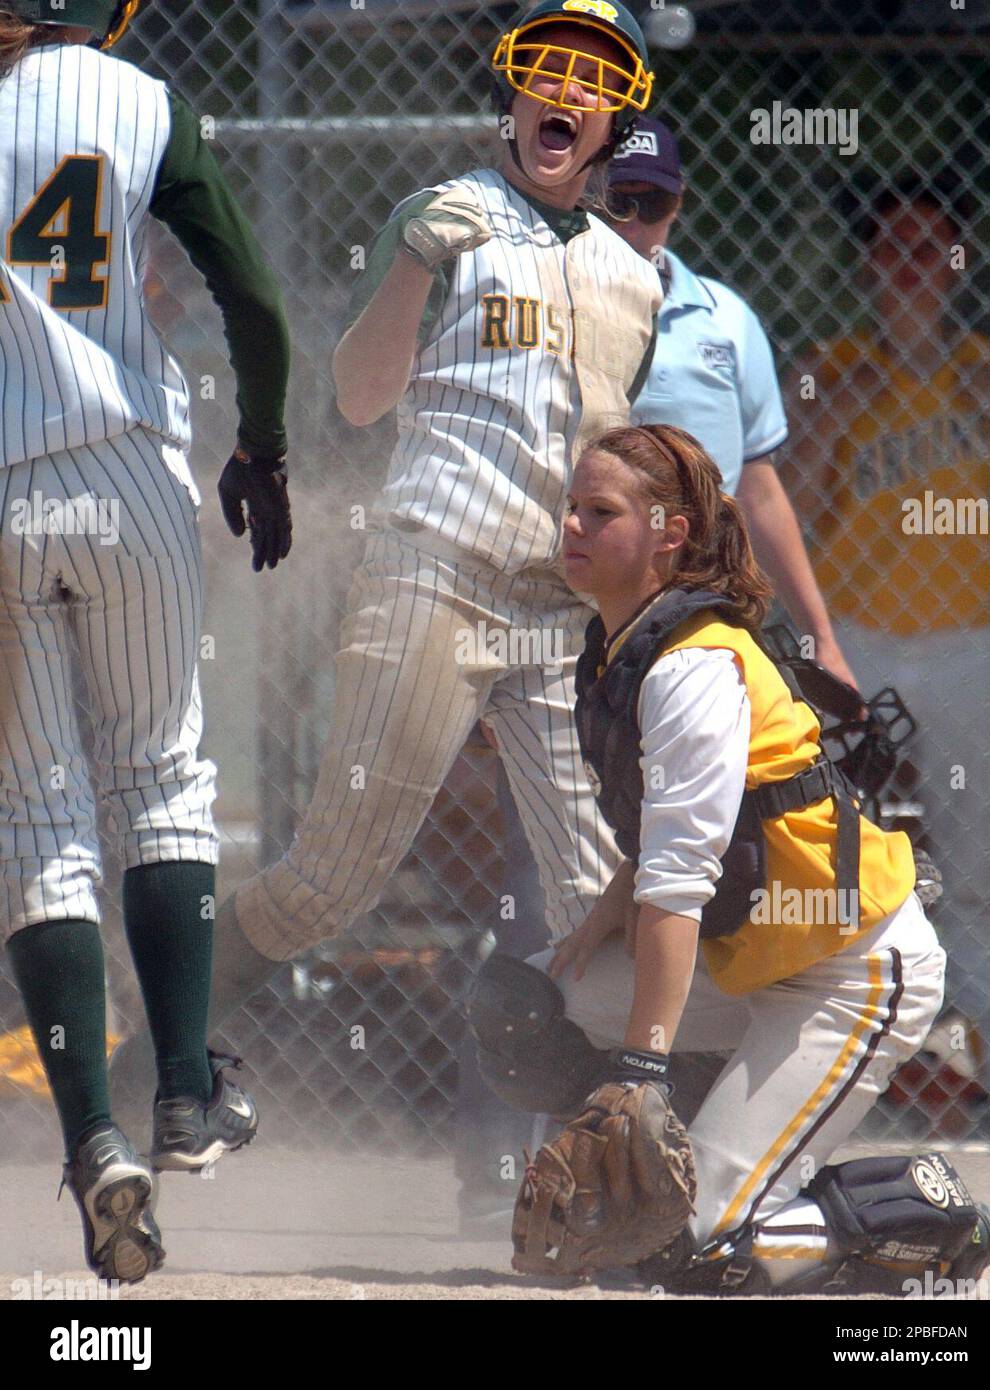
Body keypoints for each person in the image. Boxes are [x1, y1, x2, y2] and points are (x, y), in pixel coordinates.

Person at [107, 0, 665, 1113]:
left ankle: (625, 1150)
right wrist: (413, 259)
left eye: (594, 79)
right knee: (329, 884)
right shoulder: (445, 216)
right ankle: (156, 1059)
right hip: (435, 575)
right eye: (547, 68)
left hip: (558, 614)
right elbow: (359, 401)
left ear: (615, 120)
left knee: (603, 894)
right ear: (512, 91)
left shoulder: (632, 276)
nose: (567, 90)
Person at [469, 422, 990, 1294]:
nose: (572, 526)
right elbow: (684, 832)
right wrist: (613, 898)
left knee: (695, 1256)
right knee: (527, 1006)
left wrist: (641, 1072)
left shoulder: (691, 666)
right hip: (756, 959)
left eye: (600, 512)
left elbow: (679, 885)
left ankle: (925, 1219)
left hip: (853, 973)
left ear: (669, 534)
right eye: (571, 507)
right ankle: (700, 1146)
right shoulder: (622, 651)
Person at [0, 1, 290, 1282]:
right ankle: (184, 1092)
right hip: (125, 475)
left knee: (37, 825)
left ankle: (93, 1146)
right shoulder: (144, 103)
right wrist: (264, 443)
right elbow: (253, 296)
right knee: (162, 776)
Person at [786, 173, 990, 1111]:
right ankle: (839, 1074)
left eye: (933, 248)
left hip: (966, 641)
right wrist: (844, 411)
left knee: (978, 871)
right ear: (871, 266)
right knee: (833, 865)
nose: (913, 266)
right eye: (895, 248)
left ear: (958, 265)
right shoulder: (828, 366)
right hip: (859, 646)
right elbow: (790, 511)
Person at [603, 114, 856, 688]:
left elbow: (759, 488)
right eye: (618, 202)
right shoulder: (549, 308)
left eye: (656, 203)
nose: (636, 224)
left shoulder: (726, 318)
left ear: (680, 201)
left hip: (699, 606)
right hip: (578, 598)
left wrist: (823, 642)